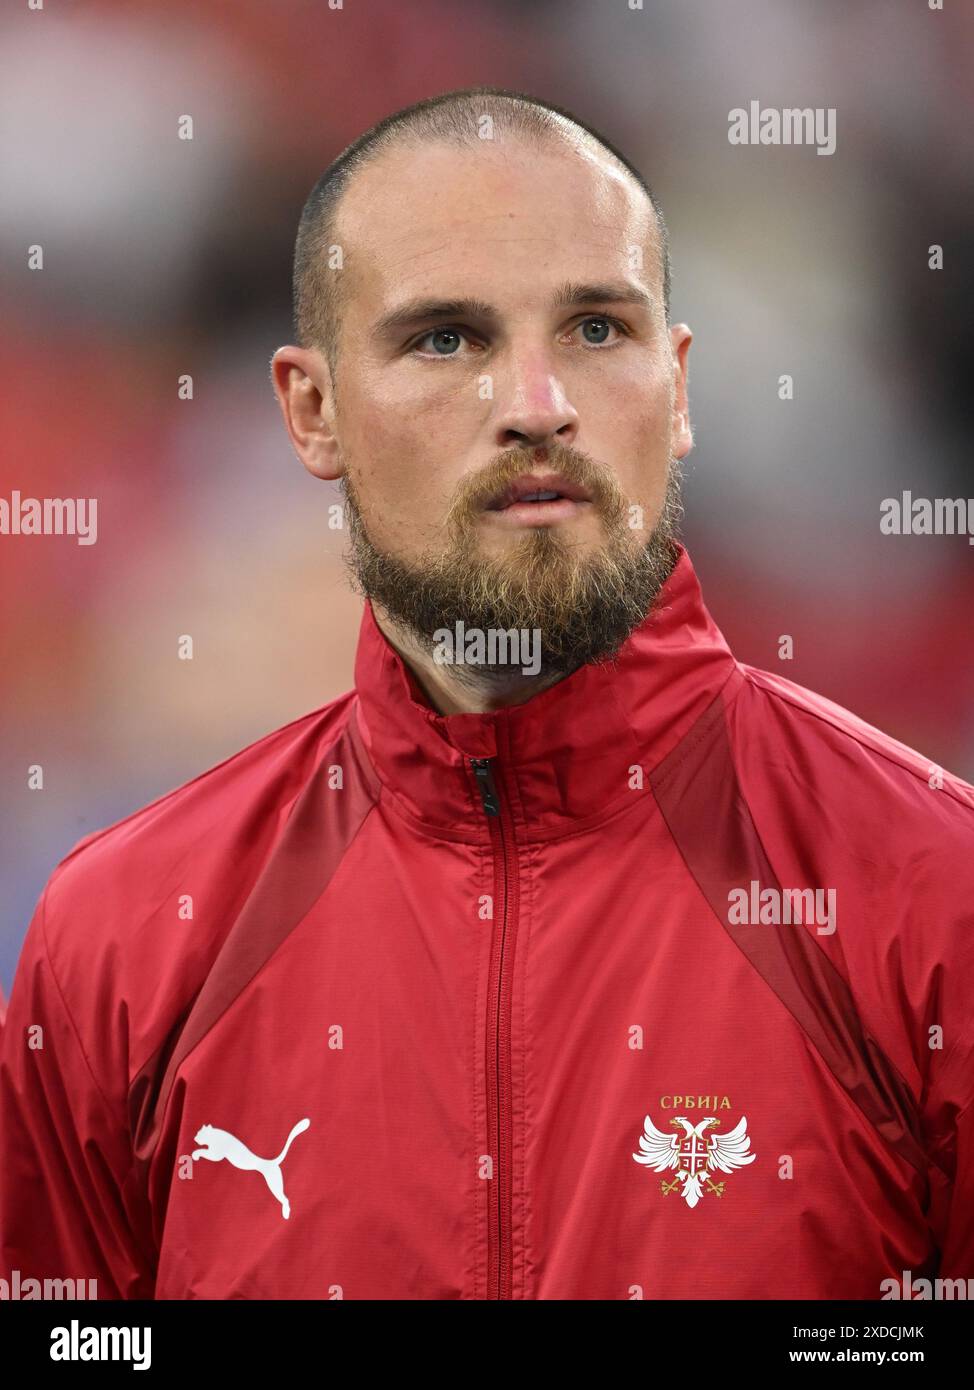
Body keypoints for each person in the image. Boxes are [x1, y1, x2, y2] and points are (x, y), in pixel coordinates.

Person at [1, 87, 972, 1302]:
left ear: (677, 388)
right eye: (445, 338)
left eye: (596, 330)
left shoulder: (931, 892)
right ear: (311, 409)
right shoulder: (124, 937)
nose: (535, 406)